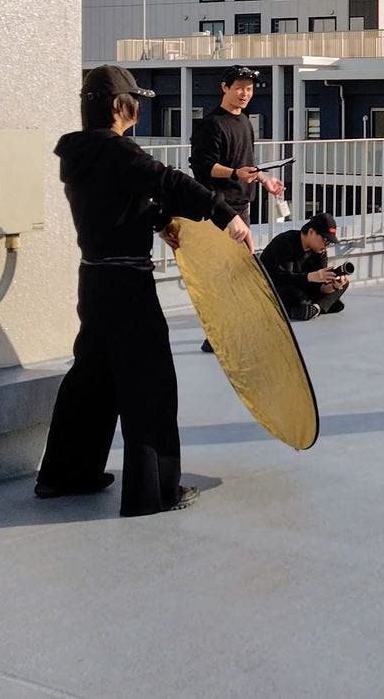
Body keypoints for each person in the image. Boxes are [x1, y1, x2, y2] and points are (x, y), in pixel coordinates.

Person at [36, 64, 253, 516]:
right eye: (134, 101)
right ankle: (154, 492)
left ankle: (65, 475)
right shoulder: (118, 151)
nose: (138, 109)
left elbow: (113, 202)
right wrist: (225, 215)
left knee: (91, 382)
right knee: (149, 386)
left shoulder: (82, 155)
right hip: (128, 285)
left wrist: (156, 222)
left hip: (95, 280)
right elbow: (168, 181)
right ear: (121, 106)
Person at [190, 66, 285, 353]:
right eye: (240, 87)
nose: (245, 94)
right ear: (225, 88)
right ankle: (219, 335)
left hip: (242, 206)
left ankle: (229, 332)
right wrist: (234, 173)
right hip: (219, 210)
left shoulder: (245, 122)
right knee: (229, 274)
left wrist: (265, 179)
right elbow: (202, 167)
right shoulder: (210, 125)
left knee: (241, 271)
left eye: (250, 89)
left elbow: (247, 165)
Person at [260, 212, 350, 321]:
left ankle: (315, 308)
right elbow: (282, 278)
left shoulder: (320, 251)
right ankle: (318, 306)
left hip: (304, 287)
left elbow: (318, 286)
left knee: (344, 284)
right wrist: (311, 277)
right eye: (325, 240)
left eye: (329, 243)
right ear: (311, 232)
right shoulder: (286, 242)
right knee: (296, 294)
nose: (325, 246)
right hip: (273, 287)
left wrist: (333, 286)